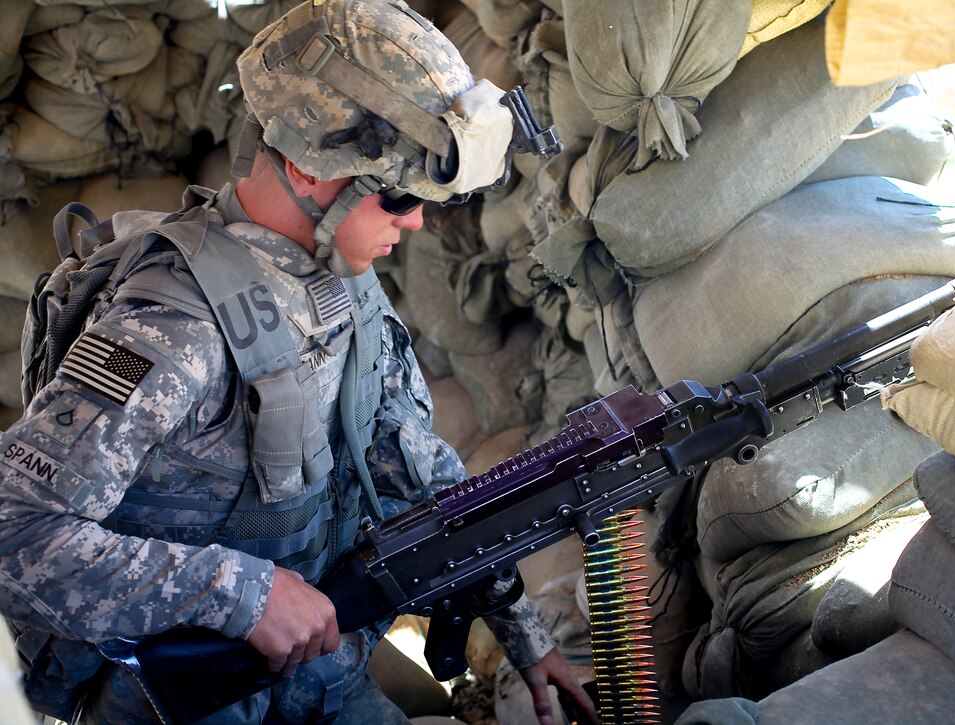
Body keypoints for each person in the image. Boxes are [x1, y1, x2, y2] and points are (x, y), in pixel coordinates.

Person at [0, 1, 596, 723]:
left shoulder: (341, 282)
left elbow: (409, 462)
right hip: (184, 703)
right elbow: (17, 529)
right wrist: (243, 594)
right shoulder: (171, 326)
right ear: (311, 168)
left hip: (320, 682)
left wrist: (522, 632)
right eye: (398, 195)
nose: (414, 221)